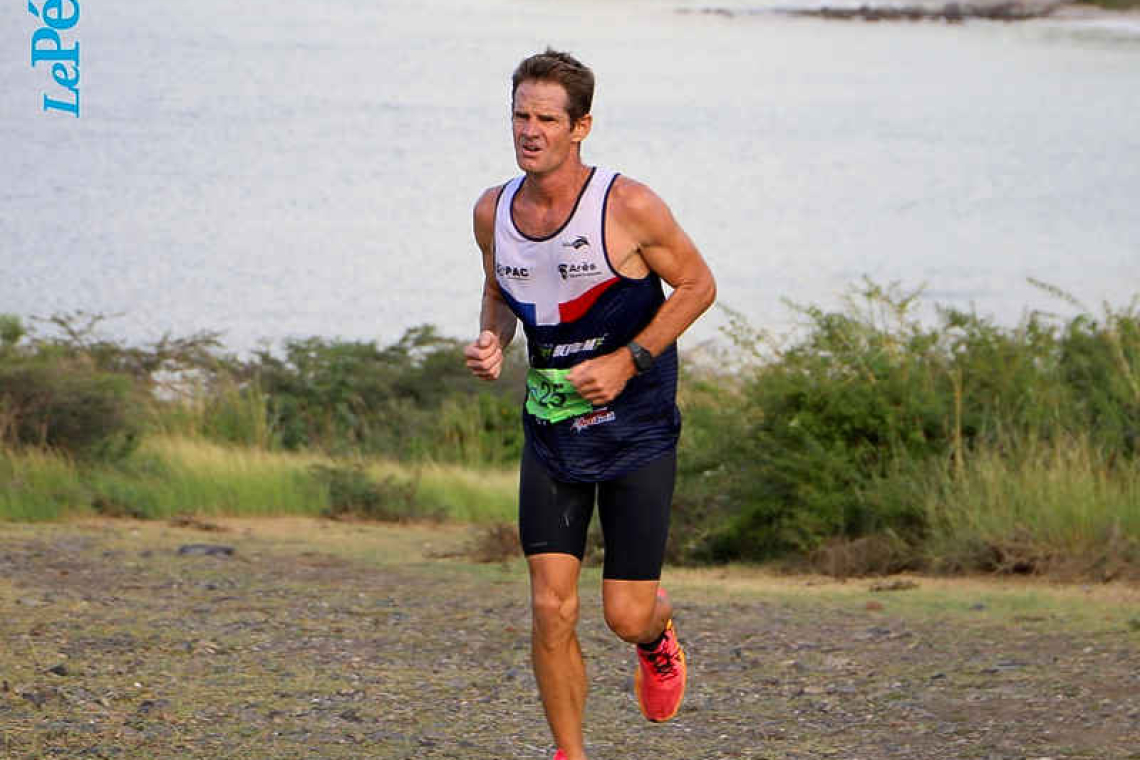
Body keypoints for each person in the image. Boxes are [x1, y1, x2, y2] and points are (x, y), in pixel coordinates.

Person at [463, 49, 716, 760]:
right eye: (520, 115)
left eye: (547, 118)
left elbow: (698, 286)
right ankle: (570, 753)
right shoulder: (492, 210)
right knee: (550, 605)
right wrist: (492, 340)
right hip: (551, 430)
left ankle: (656, 636)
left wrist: (629, 359)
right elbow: (499, 288)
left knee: (622, 612)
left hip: (635, 429)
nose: (530, 130)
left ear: (581, 126)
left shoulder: (627, 204)